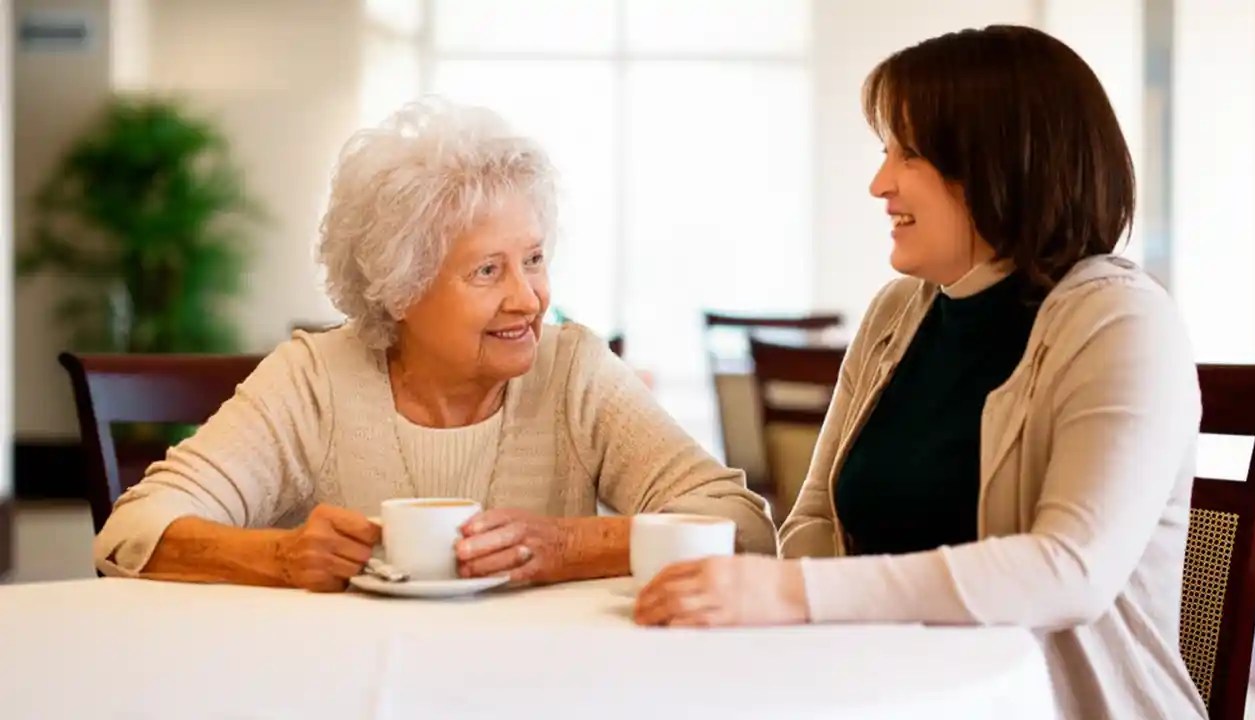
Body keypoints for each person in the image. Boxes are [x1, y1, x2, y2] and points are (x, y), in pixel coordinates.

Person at [634, 25, 1206, 719]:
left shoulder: (1119, 322)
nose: (880, 184)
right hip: (891, 695)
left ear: (998, 163)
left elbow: (1068, 570)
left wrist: (791, 596)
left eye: (908, 154)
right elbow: (816, 515)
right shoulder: (899, 313)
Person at [94, 97, 776, 590]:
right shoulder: (313, 380)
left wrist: (569, 544)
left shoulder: (574, 371)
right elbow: (135, 531)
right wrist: (280, 556)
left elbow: (740, 528)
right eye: (487, 271)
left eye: (533, 260)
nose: (529, 297)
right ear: (401, 287)